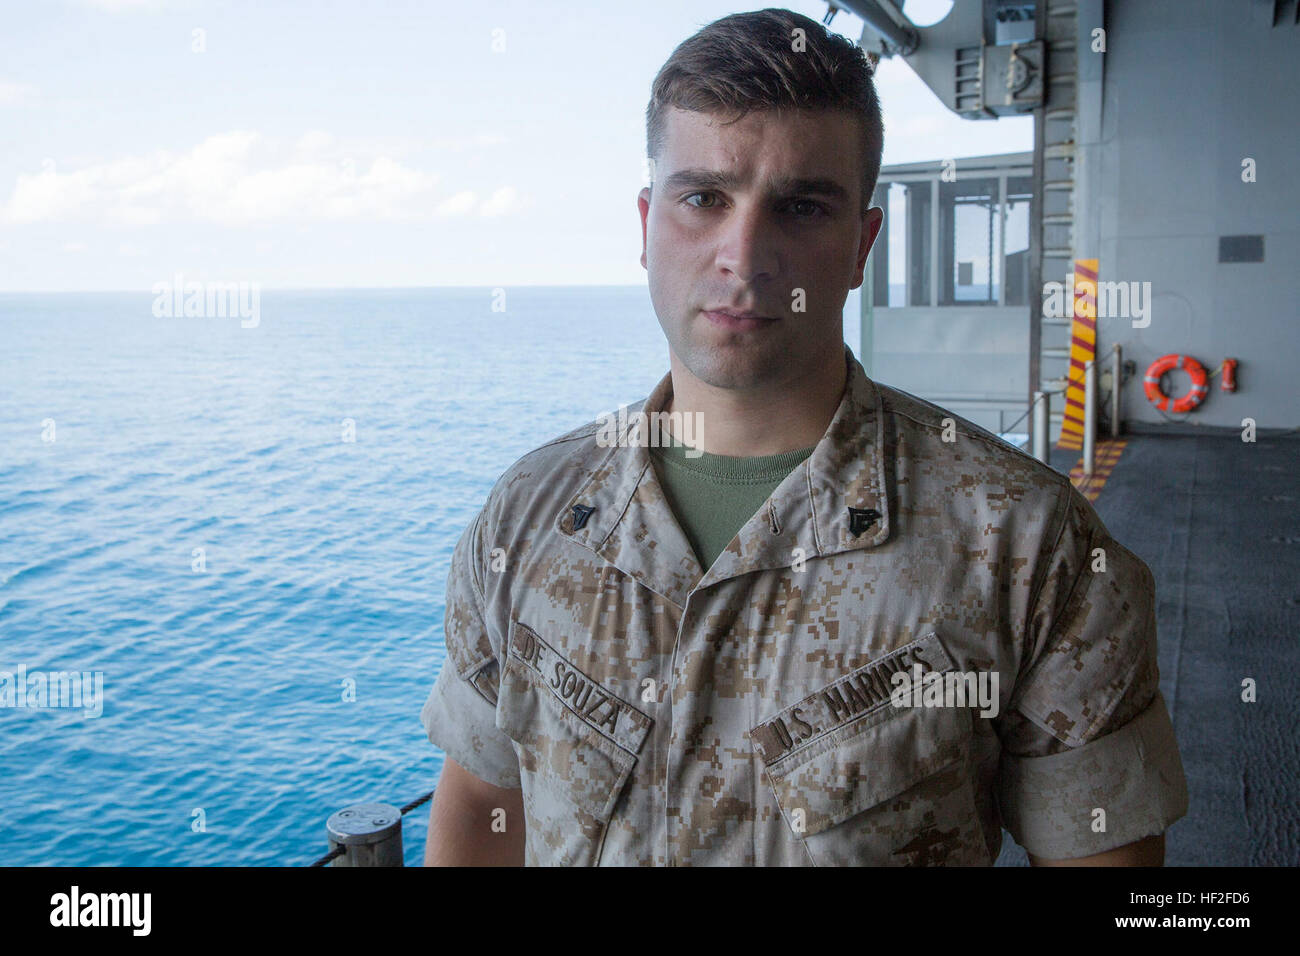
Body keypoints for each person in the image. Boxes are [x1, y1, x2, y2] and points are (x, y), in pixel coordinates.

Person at [419, 7, 1188, 866]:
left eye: (802, 207)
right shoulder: (528, 516)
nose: (744, 258)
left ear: (862, 245)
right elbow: (485, 802)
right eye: (704, 198)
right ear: (646, 225)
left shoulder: (1025, 546)